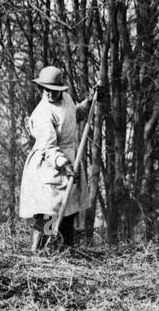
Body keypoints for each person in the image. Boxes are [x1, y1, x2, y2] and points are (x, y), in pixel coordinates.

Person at [18, 66, 106, 251]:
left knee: (68, 212)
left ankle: (66, 251)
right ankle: (39, 252)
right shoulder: (42, 113)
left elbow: (75, 115)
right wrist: (63, 164)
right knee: (49, 212)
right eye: (45, 89)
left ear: (60, 89)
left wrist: (90, 102)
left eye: (53, 90)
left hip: (70, 161)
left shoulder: (66, 99)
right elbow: (48, 146)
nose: (49, 94)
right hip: (48, 166)